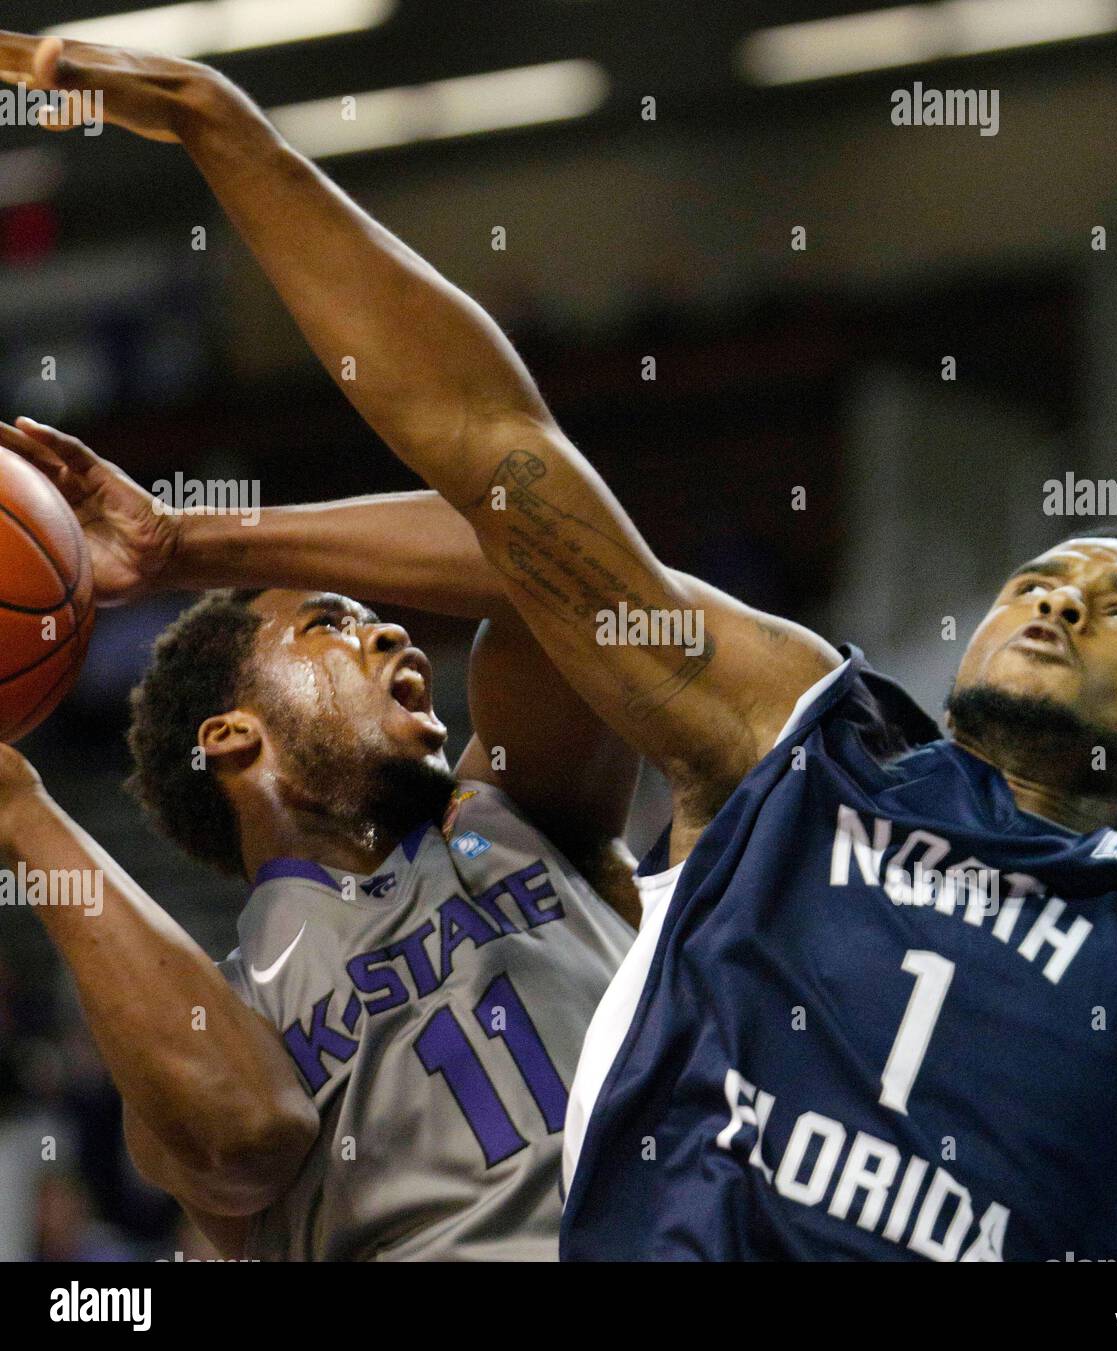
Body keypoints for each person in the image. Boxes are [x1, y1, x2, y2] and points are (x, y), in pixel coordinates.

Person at [2, 29, 1117, 1262]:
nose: (1061, 601)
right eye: (1036, 578)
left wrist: (202, 541)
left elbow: (516, 523)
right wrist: (224, 132)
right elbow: (502, 465)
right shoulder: (796, 735)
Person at [0, 418, 638, 1260]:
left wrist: (183, 541)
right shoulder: (223, 1014)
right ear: (230, 735)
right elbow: (246, 1134)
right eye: (329, 625)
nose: (390, 635)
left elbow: (557, 551)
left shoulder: (521, 819)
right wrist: (15, 806)